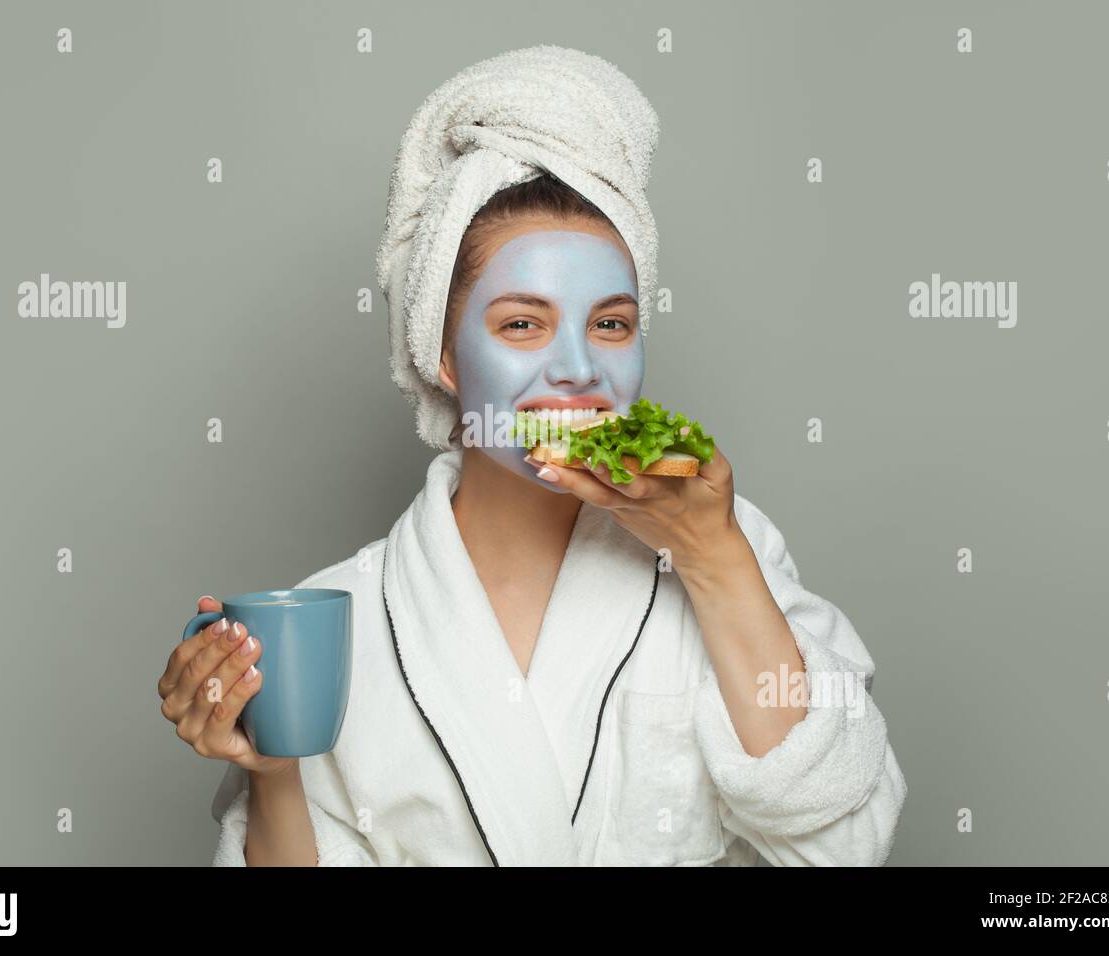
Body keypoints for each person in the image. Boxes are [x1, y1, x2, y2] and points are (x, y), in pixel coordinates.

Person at [157, 46, 907, 867]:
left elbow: (843, 841)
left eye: (612, 324)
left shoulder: (730, 552)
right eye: (523, 323)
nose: (580, 368)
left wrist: (713, 555)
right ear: (442, 354)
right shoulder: (337, 616)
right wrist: (273, 770)